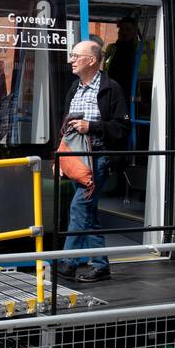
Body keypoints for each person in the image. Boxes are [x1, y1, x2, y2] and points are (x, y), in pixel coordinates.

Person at [54, 39, 127, 283]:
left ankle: (69, 262)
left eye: (76, 55)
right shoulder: (74, 88)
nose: (71, 60)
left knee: (79, 207)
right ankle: (101, 265)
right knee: (89, 212)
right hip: (76, 159)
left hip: (98, 158)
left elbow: (121, 127)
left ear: (92, 60)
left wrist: (91, 126)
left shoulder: (111, 88)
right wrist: (60, 156)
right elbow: (66, 127)